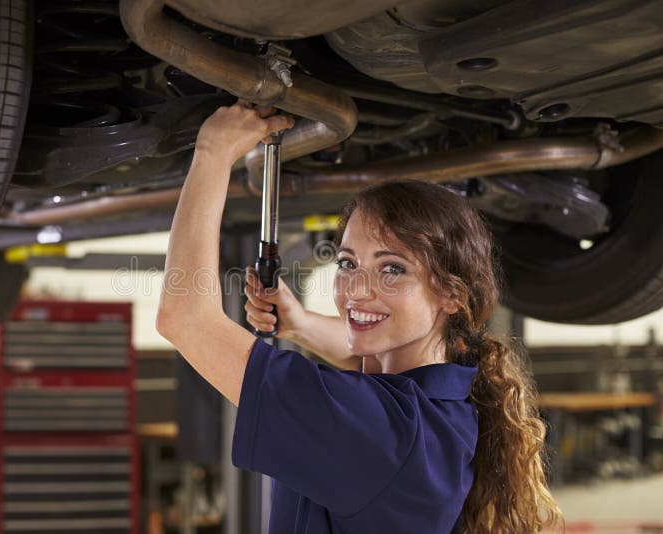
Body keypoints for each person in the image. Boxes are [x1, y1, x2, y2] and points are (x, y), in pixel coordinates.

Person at [155, 98, 564, 533]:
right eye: (348, 263)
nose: (357, 290)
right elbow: (362, 356)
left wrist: (211, 154)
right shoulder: (444, 397)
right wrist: (299, 324)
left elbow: (183, 317)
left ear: (450, 294)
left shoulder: (378, 428)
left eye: (393, 269)